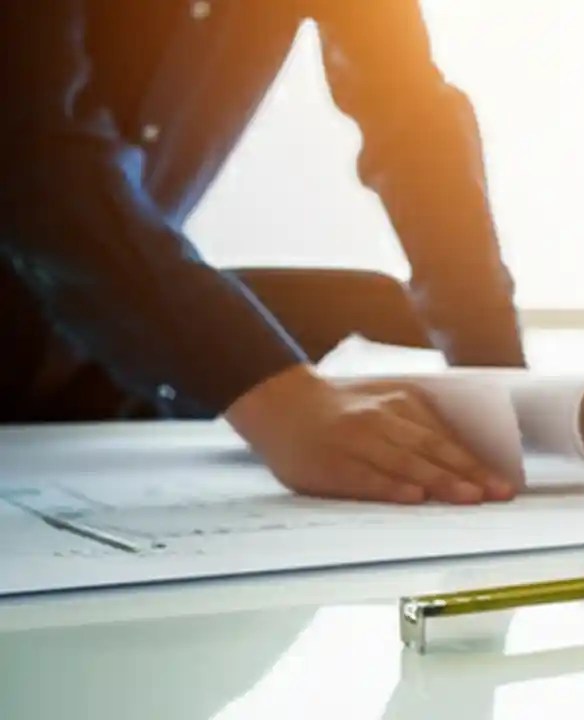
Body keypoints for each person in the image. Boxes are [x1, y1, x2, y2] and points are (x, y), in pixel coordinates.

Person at [0, 1, 526, 505]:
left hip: (93, 353)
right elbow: (32, 154)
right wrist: (279, 398)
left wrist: (501, 380)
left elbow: (411, 119)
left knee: (379, 310)